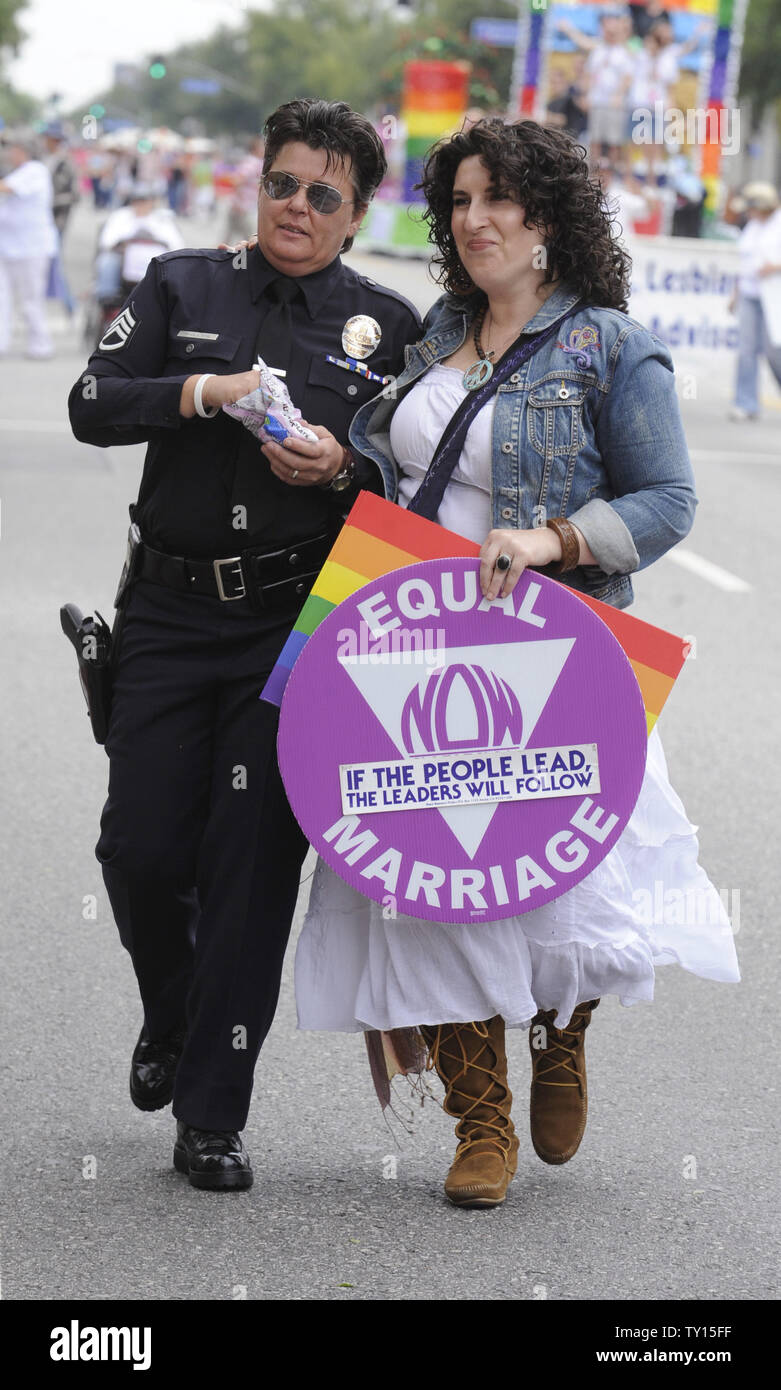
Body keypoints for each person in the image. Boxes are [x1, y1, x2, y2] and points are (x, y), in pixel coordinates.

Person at [294, 118, 740, 1208]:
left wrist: (551, 538)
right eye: (458, 201)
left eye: (499, 199)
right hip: (408, 647)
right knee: (428, 879)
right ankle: (479, 1116)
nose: (474, 220)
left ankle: (562, 1030)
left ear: (549, 221)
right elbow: (408, 471)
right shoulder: (443, 326)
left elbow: (668, 499)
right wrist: (329, 461)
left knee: (562, 888)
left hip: (554, 658)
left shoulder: (610, 345)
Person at [67, 98, 421, 1193]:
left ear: (356, 214)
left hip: (297, 627)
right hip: (171, 612)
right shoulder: (184, 282)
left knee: (250, 873)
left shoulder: (389, 326)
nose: (296, 207)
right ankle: (170, 1006)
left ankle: (212, 1115)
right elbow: (90, 403)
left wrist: (346, 473)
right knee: (139, 847)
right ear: (255, 184)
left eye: (323, 193)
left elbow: (419, 479)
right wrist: (203, 391)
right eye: (282, 183)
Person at [0, 130, 58, 359]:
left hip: (32, 247)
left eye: (12, 149)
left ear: (23, 151)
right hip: (8, 245)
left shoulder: (36, 171)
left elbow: (7, 188)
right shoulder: (18, 172)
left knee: (31, 299)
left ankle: (40, 344)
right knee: (2, 296)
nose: (8, 153)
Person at [727, 182, 781, 421]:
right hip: (750, 294)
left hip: (774, 296)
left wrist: (776, 267)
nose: (747, 213)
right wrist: (735, 295)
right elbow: (745, 263)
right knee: (746, 350)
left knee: (774, 351)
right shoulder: (752, 227)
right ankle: (745, 402)